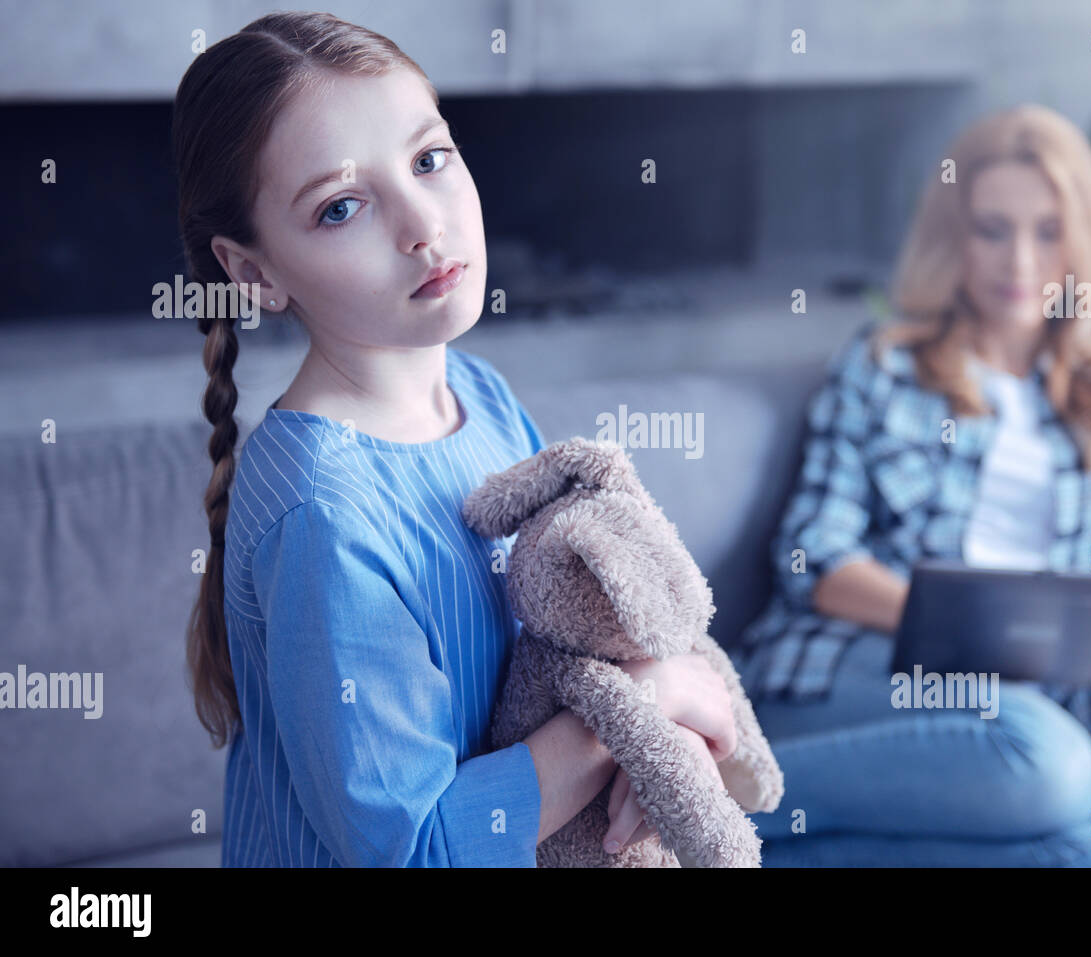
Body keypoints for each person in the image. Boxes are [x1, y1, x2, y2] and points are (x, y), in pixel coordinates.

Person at [178, 12, 736, 867]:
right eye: (340, 208)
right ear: (254, 271)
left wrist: (646, 747)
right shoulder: (323, 515)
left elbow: (572, 621)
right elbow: (418, 847)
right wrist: (631, 712)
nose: (422, 227)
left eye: (430, 159)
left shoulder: (478, 394)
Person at [730, 104, 1091, 867]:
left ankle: (742, 847)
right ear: (955, 238)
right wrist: (973, 627)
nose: (1019, 261)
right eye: (993, 229)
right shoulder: (882, 368)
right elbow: (812, 556)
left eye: (1048, 231)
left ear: (1081, 240)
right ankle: (694, 799)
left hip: (1005, 731)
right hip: (854, 675)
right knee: (1053, 760)